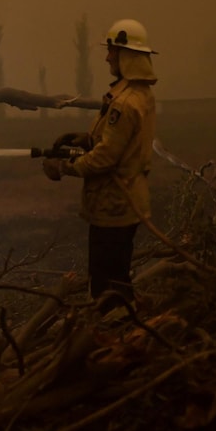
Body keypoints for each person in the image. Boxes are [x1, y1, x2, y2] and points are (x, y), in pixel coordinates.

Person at [42, 18, 158, 314]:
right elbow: (120, 142)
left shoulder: (124, 103)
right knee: (117, 278)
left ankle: (114, 335)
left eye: (112, 52)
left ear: (126, 55)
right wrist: (84, 138)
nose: (107, 57)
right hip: (127, 201)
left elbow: (107, 157)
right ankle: (123, 329)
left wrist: (65, 166)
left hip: (114, 204)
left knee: (106, 285)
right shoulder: (140, 95)